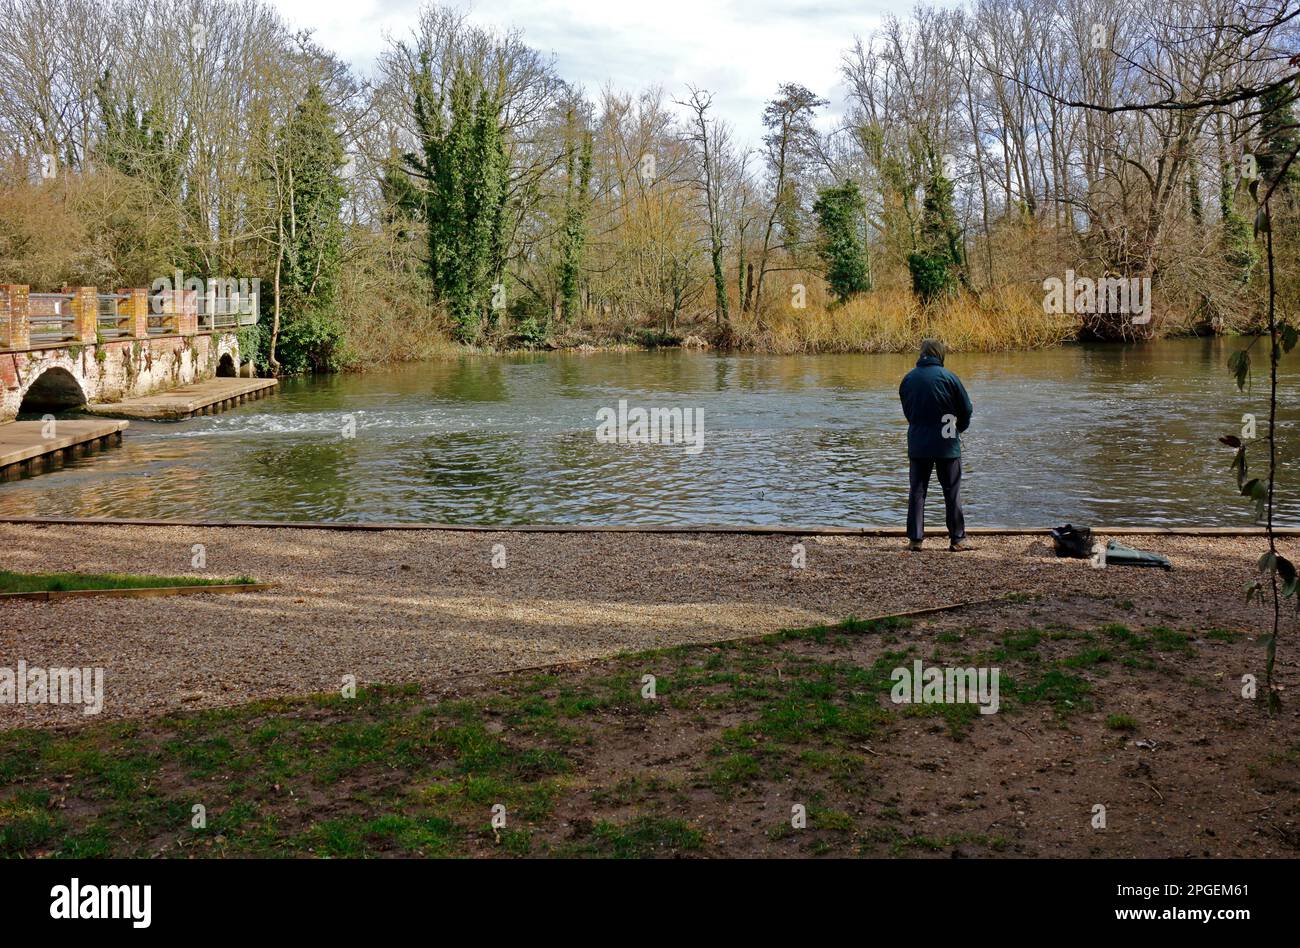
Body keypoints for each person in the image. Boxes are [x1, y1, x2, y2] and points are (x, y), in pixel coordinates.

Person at [898, 338, 973, 551]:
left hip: (919, 442)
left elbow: (908, 412)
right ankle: (957, 539)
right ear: (940, 354)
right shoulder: (949, 378)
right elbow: (966, 409)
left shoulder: (908, 379)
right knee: (951, 492)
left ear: (921, 354)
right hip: (947, 443)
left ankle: (915, 540)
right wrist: (959, 427)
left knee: (917, 492)